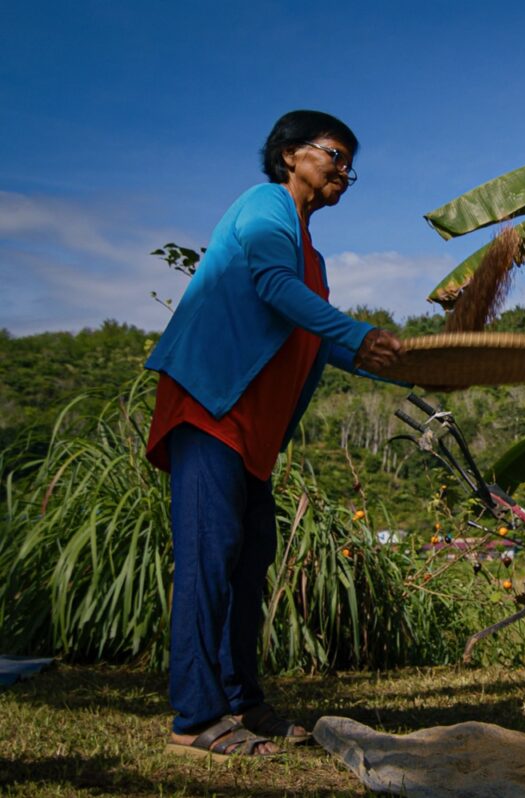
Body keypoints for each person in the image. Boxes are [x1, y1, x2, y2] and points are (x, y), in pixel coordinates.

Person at [144, 110, 403, 758]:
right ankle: (194, 719)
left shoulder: (311, 257)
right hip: (209, 402)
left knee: (248, 565)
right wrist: (357, 333)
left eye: (350, 163)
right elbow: (268, 285)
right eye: (334, 155)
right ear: (290, 154)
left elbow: (320, 337)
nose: (345, 172)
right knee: (210, 559)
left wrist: (401, 366)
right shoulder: (265, 207)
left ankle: (242, 701)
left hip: (252, 430)